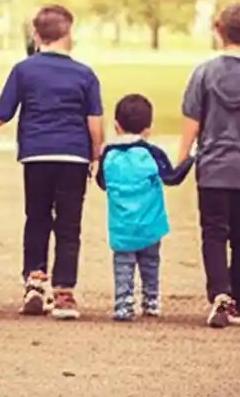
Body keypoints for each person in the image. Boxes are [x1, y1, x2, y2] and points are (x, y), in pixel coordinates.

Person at [0, 5, 102, 320]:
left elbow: (2, 113)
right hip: (73, 156)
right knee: (69, 225)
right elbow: (94, 121)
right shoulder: (85, 74)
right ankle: (64, 293)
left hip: (36, 155)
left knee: (36, 217)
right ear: (69, 34)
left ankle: (35, 281)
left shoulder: (24, 70)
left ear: (36, 35)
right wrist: (96, 155)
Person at [175, 2, 240, 329]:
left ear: (218, 31)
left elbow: (191, 125)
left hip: (213, 169)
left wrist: (181, 163)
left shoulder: (203, 73)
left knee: (214, 234)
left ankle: (220, 294)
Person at [95, 94, 193, 321]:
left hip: (121, 225)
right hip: (150, 222)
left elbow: (102, 183)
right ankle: (151, 301)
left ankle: (123, 303)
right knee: (150, 263)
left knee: (123, 264)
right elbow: (172, 178)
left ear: (116, 126)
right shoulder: (153, 153)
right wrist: (190, 158)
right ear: (148, 129)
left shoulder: (108, 154)